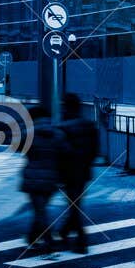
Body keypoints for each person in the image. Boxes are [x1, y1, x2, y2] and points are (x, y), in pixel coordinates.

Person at [56, 93, 100, 253]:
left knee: (74, 205)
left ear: (67, 107)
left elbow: (60, 152)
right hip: (83, 171)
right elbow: (95, 151)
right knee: (75, 203)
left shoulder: (63, 127)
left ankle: (82, 240)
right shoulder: (89, 126)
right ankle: (65, 231)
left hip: (68, 172)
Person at [19, 105, 65, 253]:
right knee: (41, 208)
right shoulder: (58, 134)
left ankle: (48, 241)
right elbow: (65, 152)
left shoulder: (28, 134)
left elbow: (19, 148)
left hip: (33, 177)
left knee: (40, 210)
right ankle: (32, 237)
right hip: (52, 178)